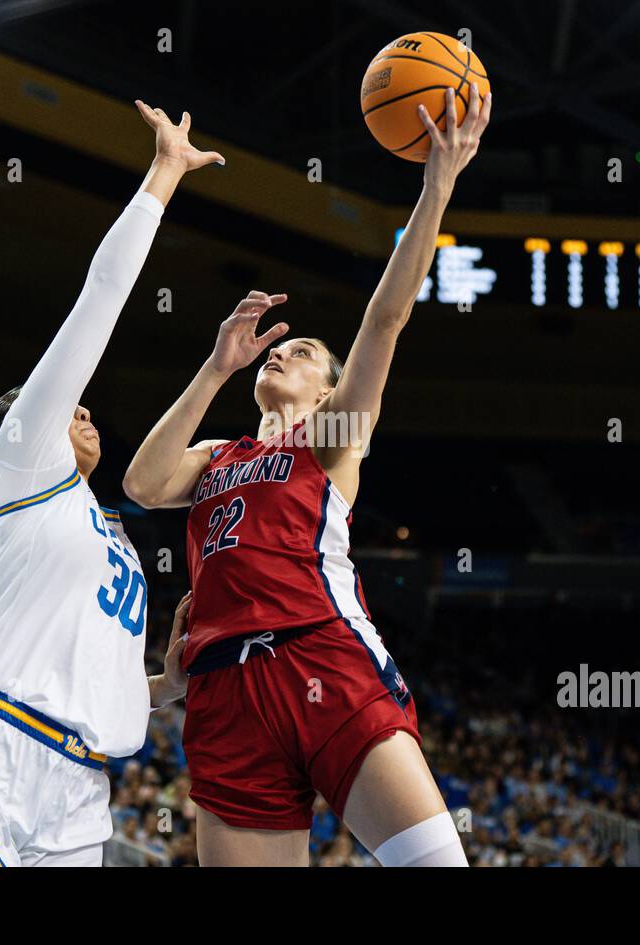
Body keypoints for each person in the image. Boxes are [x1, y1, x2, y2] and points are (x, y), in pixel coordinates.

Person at [123, 84, 491, 866]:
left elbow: (385, 320)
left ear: (328, 391)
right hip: (221, 687)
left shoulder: (329, 441)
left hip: (316, 650)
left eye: (303, 352)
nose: (281, 351)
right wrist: (218, 365)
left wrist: (437, 189)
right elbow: (144, 485)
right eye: (279, 347)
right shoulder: (219, 457)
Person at [0, 100, 222, 867]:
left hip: (79, 790)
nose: (87, 407)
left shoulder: (105, 530)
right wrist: (165, 172)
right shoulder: (25, 464)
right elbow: (99, 301)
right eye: (71, 406)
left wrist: (163, 687)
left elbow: (84, 682)